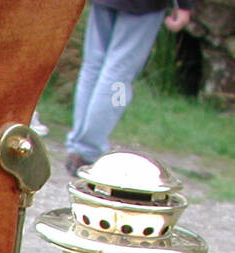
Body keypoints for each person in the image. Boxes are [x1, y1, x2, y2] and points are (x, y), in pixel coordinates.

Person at [66, 2, 192, 176]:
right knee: (119, 75)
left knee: (93, 66)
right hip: (142, 6)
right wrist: (184, 5)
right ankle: (89, 150)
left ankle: (77, 147)